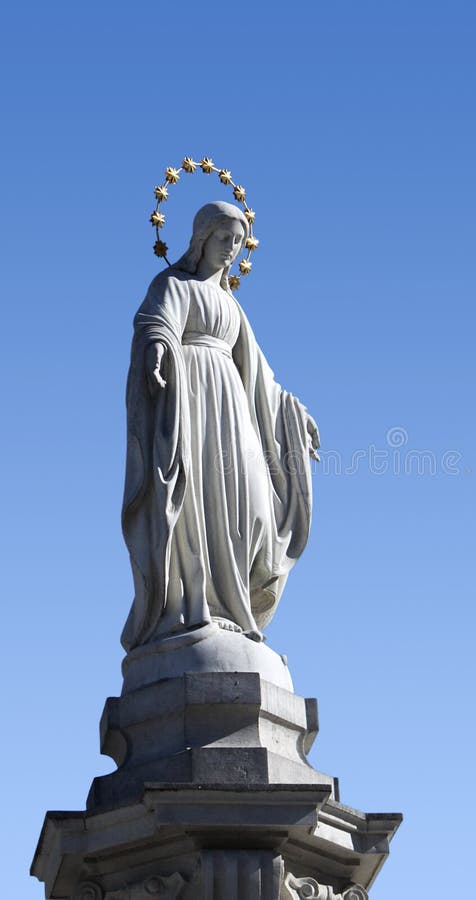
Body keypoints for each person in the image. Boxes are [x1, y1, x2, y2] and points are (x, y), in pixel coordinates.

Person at [120, 201, 320, 651]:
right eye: (223, 238)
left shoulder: (232, 305)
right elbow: (154, 323)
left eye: (236, 241)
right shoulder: (173, 283)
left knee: (249, 503)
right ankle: (196, 606)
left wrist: (294, 412)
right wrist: (156, 348)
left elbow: (261, 377)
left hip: (231, 407)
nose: (230, 249)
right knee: (195, 497)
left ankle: (234, 606)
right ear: (201, 238)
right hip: (188, 399)